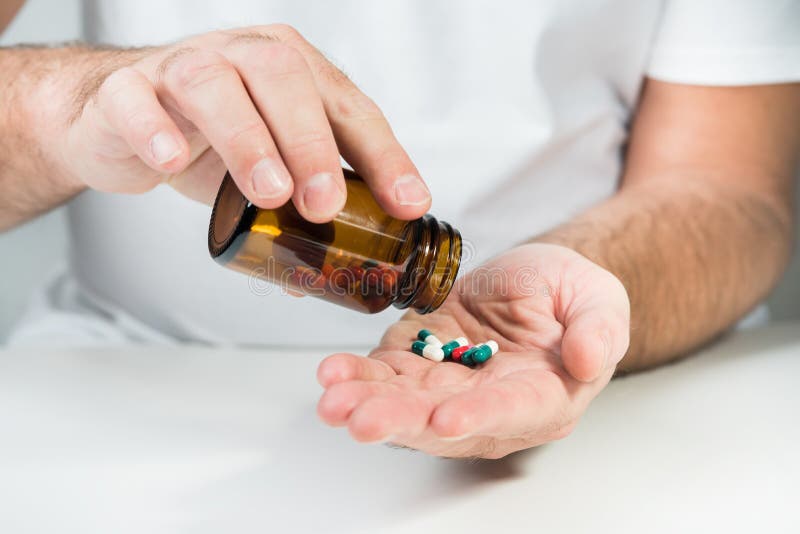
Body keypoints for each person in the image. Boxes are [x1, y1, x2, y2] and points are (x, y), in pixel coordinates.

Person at [1, 0, 798, 458]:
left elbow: (729, 187)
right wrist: (58, 108)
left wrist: (590, 278)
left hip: (640, 405)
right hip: (111, 382)